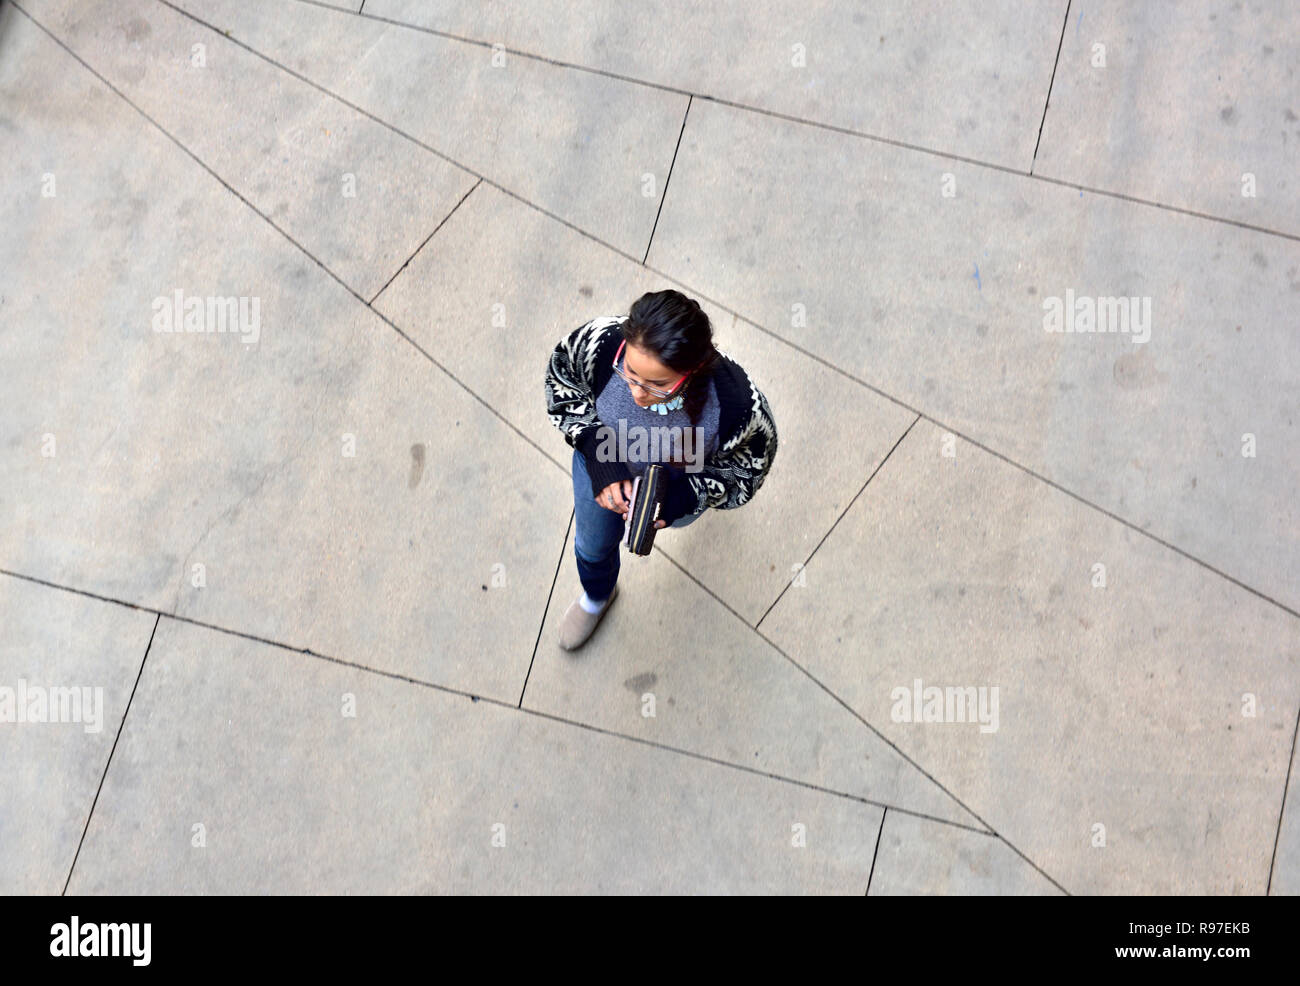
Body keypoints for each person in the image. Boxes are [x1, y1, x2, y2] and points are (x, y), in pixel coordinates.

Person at [543, 289, 778, 650]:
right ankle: (596, 597)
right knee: (591, 545)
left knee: (659, 523)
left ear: (694, 369)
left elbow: (747, 469)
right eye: (630, 371)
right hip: (601, 469)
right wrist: (597, 454)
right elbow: (564, 383)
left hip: (673, 492)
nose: (637, 392)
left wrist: (688, 495)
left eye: (659, 384)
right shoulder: (602, 343)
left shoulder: (736, 403)